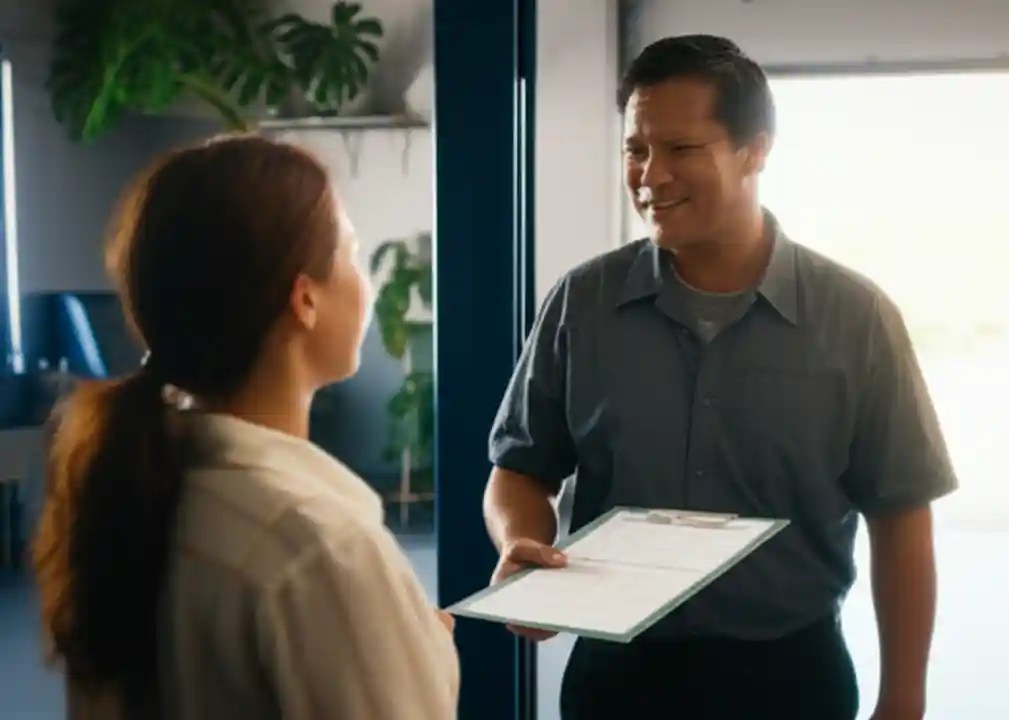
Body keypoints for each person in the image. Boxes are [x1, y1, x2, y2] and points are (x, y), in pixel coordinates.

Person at [484, 34, 957, 720]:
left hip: (790, 678)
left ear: (755, 150)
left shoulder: (855, 316)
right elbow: (522, 467)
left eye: (681, 150)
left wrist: (904, 700)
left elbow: (903, 512)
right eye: (636, 150)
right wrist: (520, 542)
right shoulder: (581, 303)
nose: (651, 176)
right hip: (617, 682)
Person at [32, 135, 459, 719]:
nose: (366, 281)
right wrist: (423, 658)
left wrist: (387, 637)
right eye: (352, 255)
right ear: (304, 300)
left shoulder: (133, 488)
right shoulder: (319, 550)